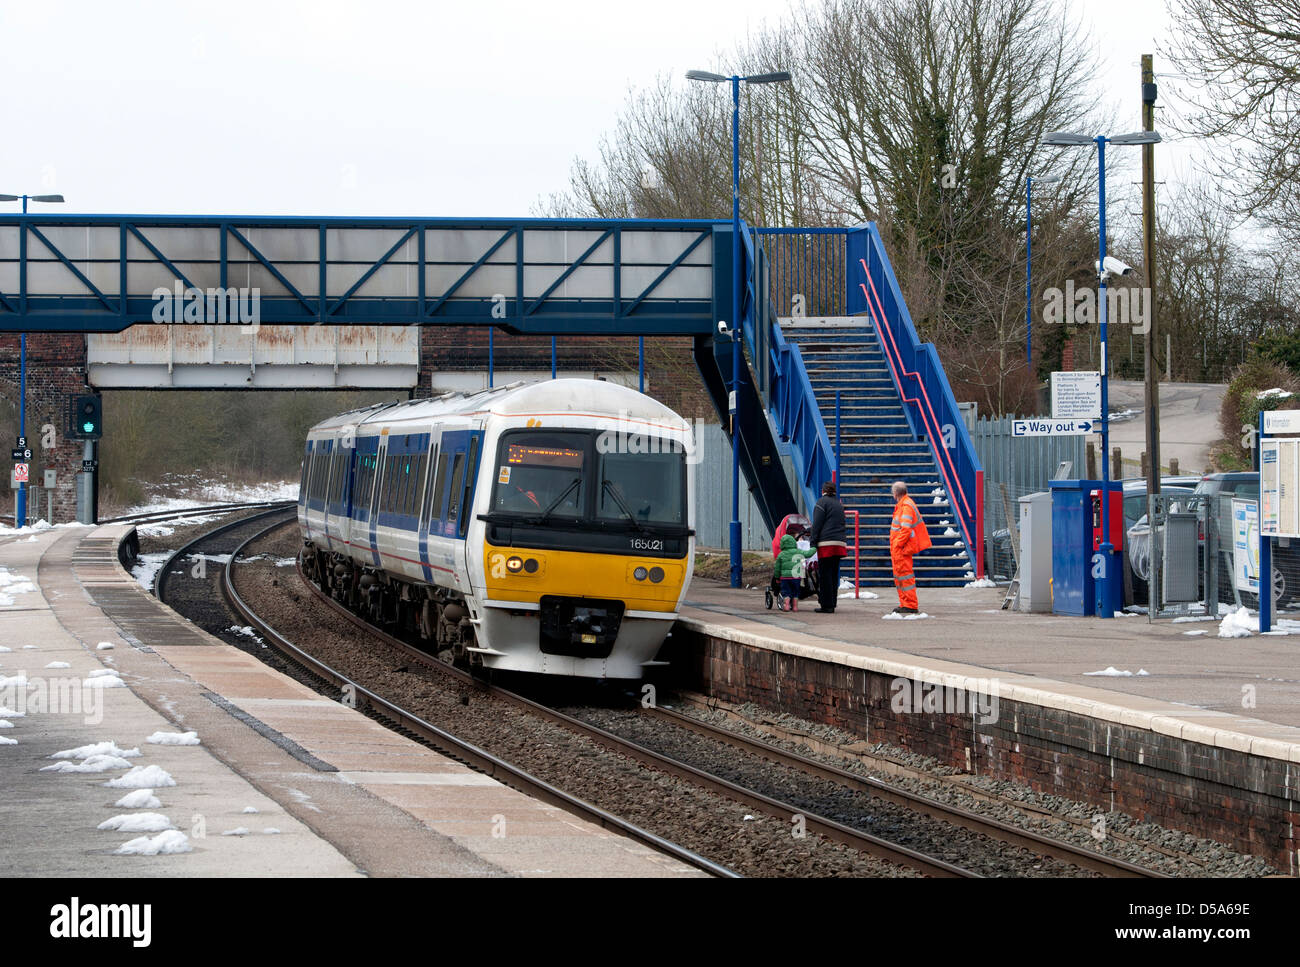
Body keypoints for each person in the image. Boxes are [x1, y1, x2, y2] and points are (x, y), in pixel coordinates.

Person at [889, 480, 931, 614]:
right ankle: (905, 603)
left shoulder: (906, 506)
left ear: (896, 493)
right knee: (901, 576)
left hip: (901, 549)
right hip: (901, 548)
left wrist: (897, 545)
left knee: (905, 576)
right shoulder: (905, 504)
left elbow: (905, 529)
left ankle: (910, 604)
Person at [808, 481, 847, 613]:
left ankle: (826, 605)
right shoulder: (839, 504)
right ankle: (833, 602)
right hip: (839, 543)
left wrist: (812, 542)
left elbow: (817, 524)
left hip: (826, 544)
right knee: (834, 574)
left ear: (823, 491)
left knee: (825, 574)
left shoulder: (821, 503)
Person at [774, 534, 816, 611]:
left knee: (786, 592)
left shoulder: (781, 554)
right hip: (796, 577)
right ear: (794, 543)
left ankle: (786, 605)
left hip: (785, 578)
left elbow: (777, 568)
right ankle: (795, 607)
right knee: (795, 592)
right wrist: (814, 548)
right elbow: (808, 554)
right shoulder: (798, 551)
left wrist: (777, 577)